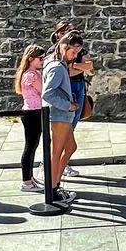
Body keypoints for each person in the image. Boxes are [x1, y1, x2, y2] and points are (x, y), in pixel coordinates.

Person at [42, 30, 84, 204]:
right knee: (56, 152)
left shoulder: (56, 63)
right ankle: (52, 189)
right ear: (65, 47)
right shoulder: (57, 67)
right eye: (73, 52)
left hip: (62, 114)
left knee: (70, 147)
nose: (75, 56)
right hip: (59, 115)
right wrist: (68, 105)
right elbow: (47, 93)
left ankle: (55, 184)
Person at [14, 43, 45, 192]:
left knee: (33, 146)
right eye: (40, 58)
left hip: (34, 112)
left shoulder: (31, 73)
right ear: (31, 58)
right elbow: (44, 90)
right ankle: (26, 181)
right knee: (30, 147)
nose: (42, 61)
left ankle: (30, 178)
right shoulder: (31, 75)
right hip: (32, 113)